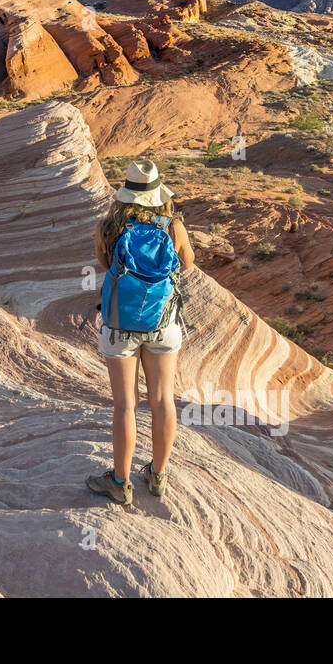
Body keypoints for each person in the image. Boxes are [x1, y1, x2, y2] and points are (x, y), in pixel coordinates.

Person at [86, 159, 195, 506]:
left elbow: (106, 266)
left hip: (120, 325)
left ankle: (120, 482)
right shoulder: (173, 227)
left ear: (125, 193)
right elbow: (188, 263)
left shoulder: (107, 226)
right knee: (163, 400)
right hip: (163, 324)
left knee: (125, 405)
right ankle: (158, 475)